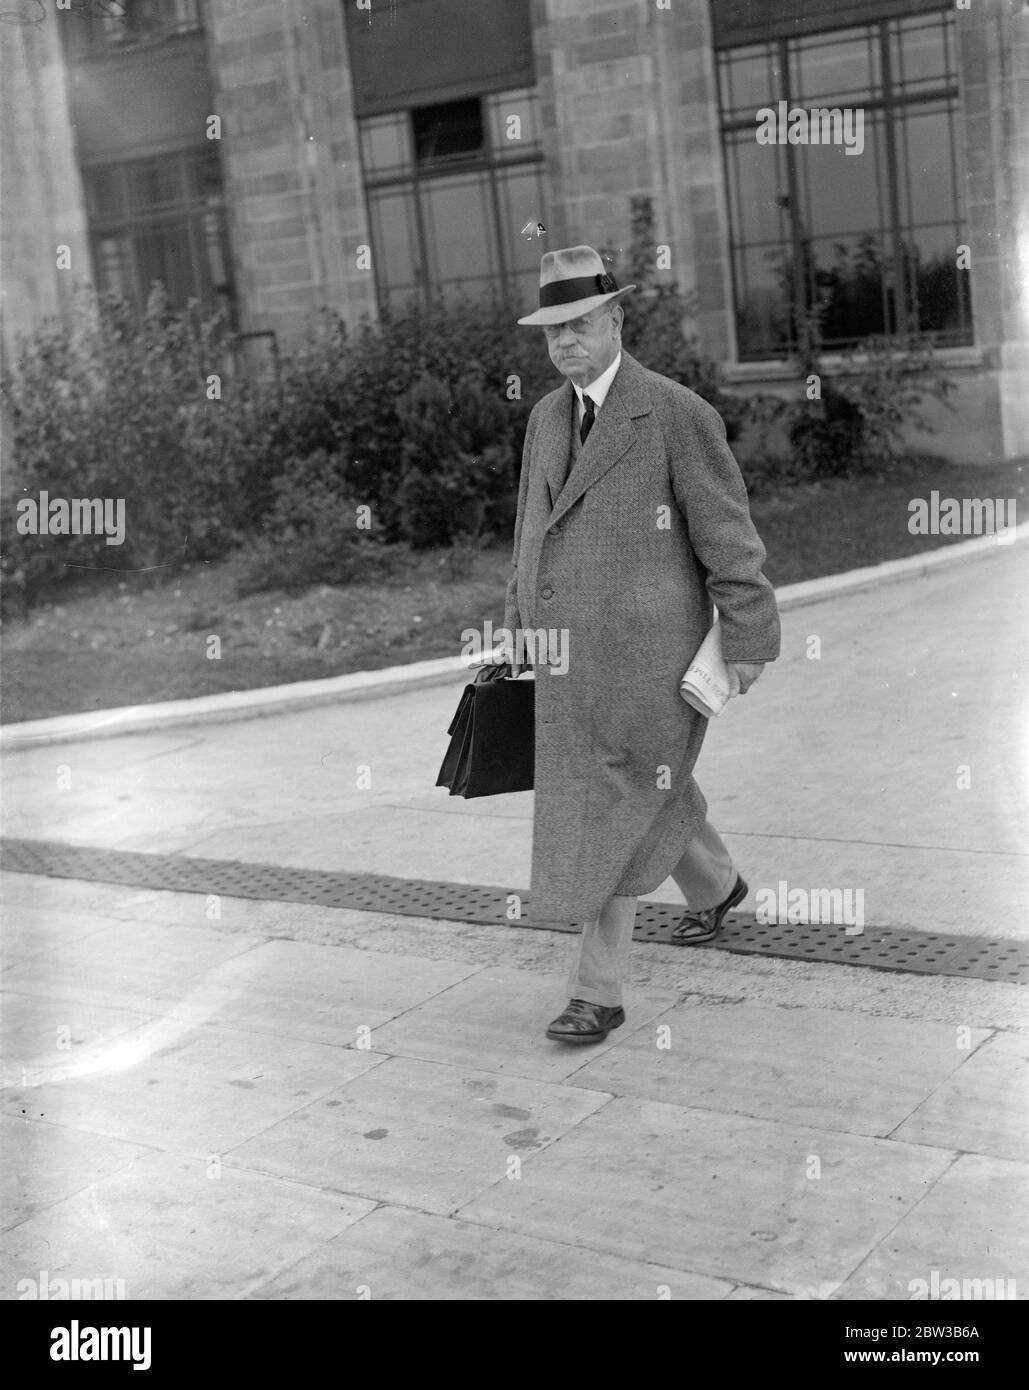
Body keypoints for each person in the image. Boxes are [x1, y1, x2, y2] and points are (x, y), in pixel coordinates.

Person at [503, 245, 780, 1044]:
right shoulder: (546, 418)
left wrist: (748, 632)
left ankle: (599, 991)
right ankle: (718, 887)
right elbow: (530, 530)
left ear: (616, 319)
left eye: (580, 323)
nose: (565, 343)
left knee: (610, 804)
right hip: (567, 660)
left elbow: (728, 536)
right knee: (641, 789)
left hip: (649, 659)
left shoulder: (674, 413)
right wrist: (518, 624)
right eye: (553, 330)